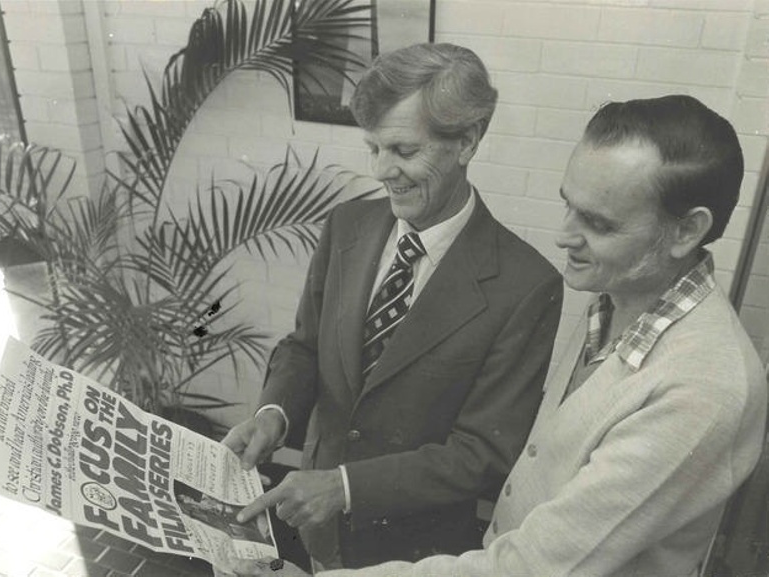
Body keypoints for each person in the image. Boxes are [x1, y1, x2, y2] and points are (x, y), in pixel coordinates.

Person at [230, 95, 768, 577]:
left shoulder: (704, 387)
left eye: (598, 224)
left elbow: (536, 566)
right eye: (567, 204)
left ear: (687, 231)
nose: (564, 236)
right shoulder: (613, 297)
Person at [221, 43, 563, 570]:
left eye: (404, 151)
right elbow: (305, 346)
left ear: (468, 141)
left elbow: (483, 454)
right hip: (316, 530)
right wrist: (274, 414)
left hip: (414, 556)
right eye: (374, 148)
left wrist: (345, 487)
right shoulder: (346, 227)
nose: (383, 171)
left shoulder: (527, 286)